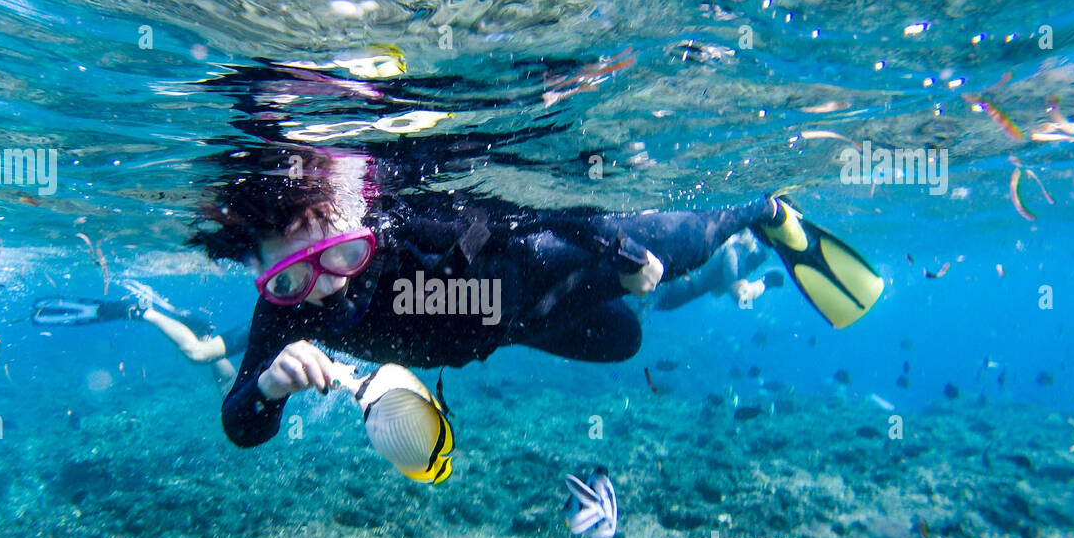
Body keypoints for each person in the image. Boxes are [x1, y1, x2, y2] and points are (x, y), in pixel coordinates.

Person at [189, 147, 884, 448]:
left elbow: (528, 207)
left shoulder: (408, 222)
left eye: (338, 255)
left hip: (540, 270)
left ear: (361, 228)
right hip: (513, 327)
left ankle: (762, 212)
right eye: (289, 279)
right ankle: (718, 269)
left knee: (669, 251)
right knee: (625, 342)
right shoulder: (283, 310)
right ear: (265, 278)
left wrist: (613, 248)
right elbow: (240, 422)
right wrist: (269, 389)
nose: (326, 286)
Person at [29, 280, 245, 396]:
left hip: (245, 414)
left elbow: (228, 381)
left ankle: (202, 335)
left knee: (228, 383)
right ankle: (139, 311)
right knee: (198, 354)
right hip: (250, 413)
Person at [652, 229, 784, 311]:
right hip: (674, 291)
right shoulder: (733, 250)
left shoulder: (723, 240)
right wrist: (766, 282)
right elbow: (740, 296)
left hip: (669, 284)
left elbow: (718, 291)